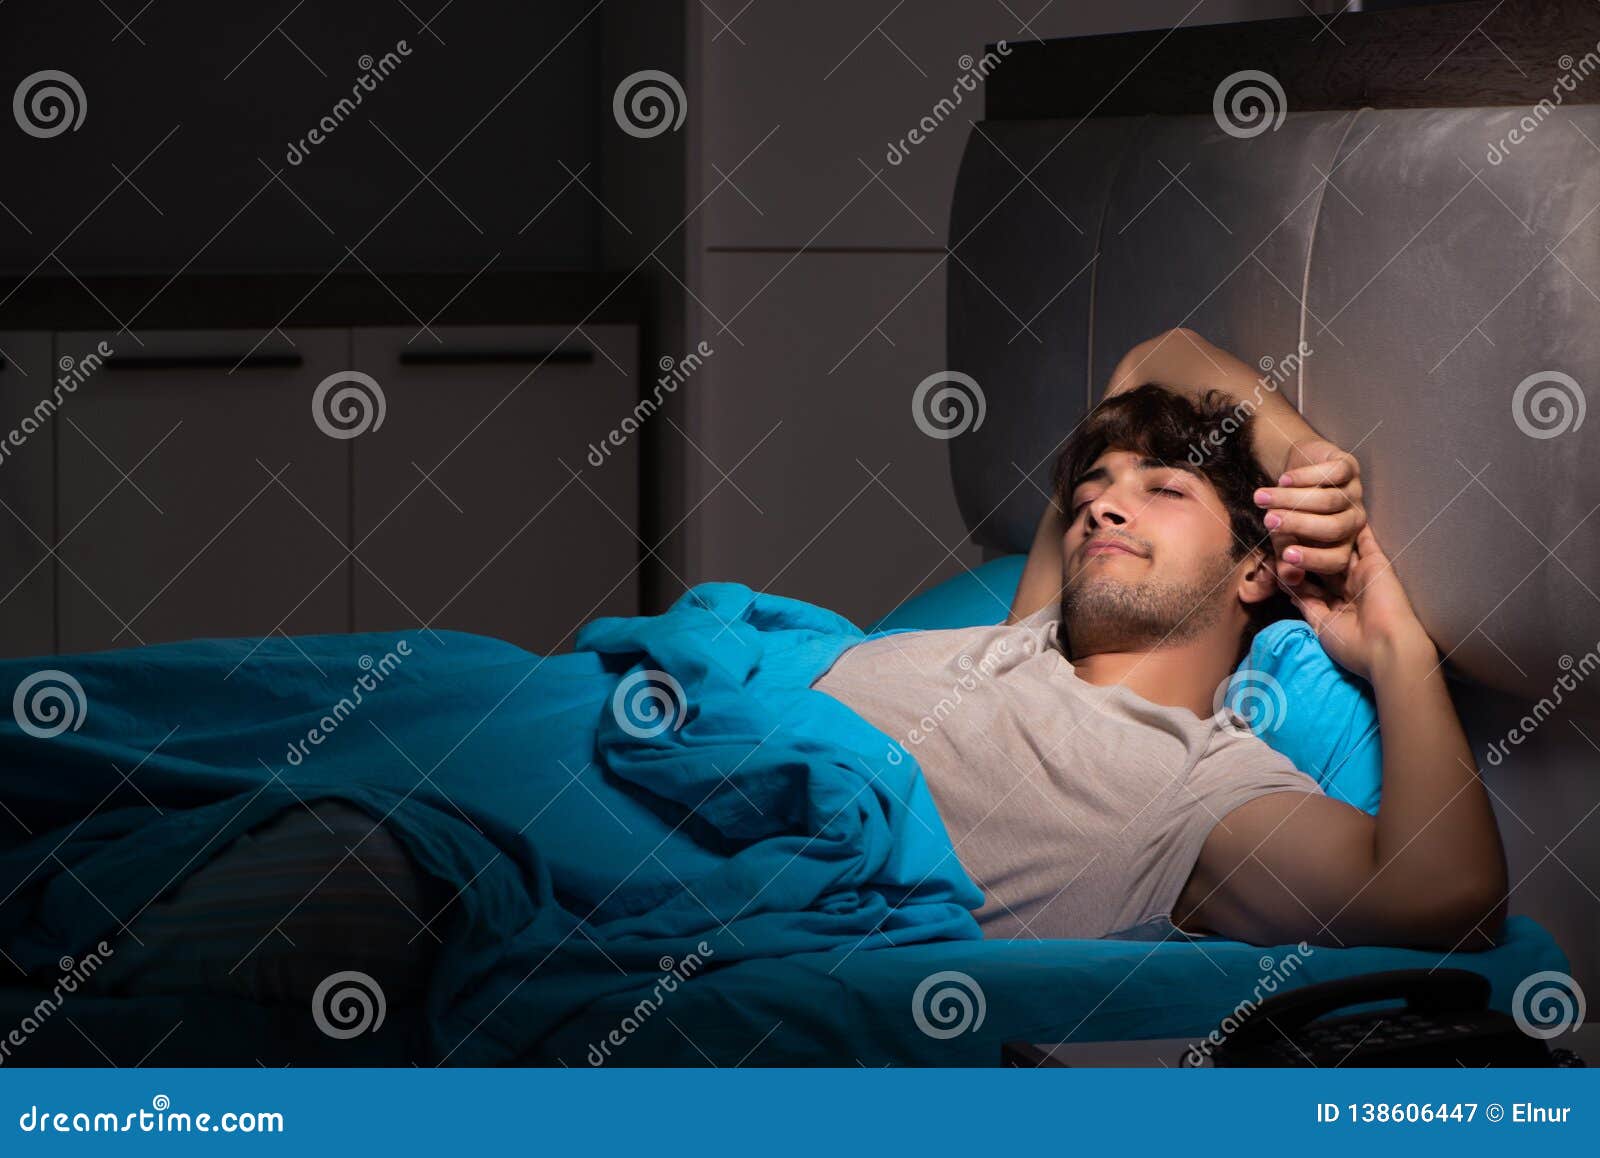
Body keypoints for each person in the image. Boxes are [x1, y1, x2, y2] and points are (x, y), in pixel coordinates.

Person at [812, 328, 1509, 950]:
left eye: (1166, 491)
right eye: (1089, 495)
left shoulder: (1194, 786)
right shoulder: (1026, 635)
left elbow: (1438, 895)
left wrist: (1396, 647)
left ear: (1257, 566)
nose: (1101, 507)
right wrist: (1302, 452)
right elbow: (1155, 357)